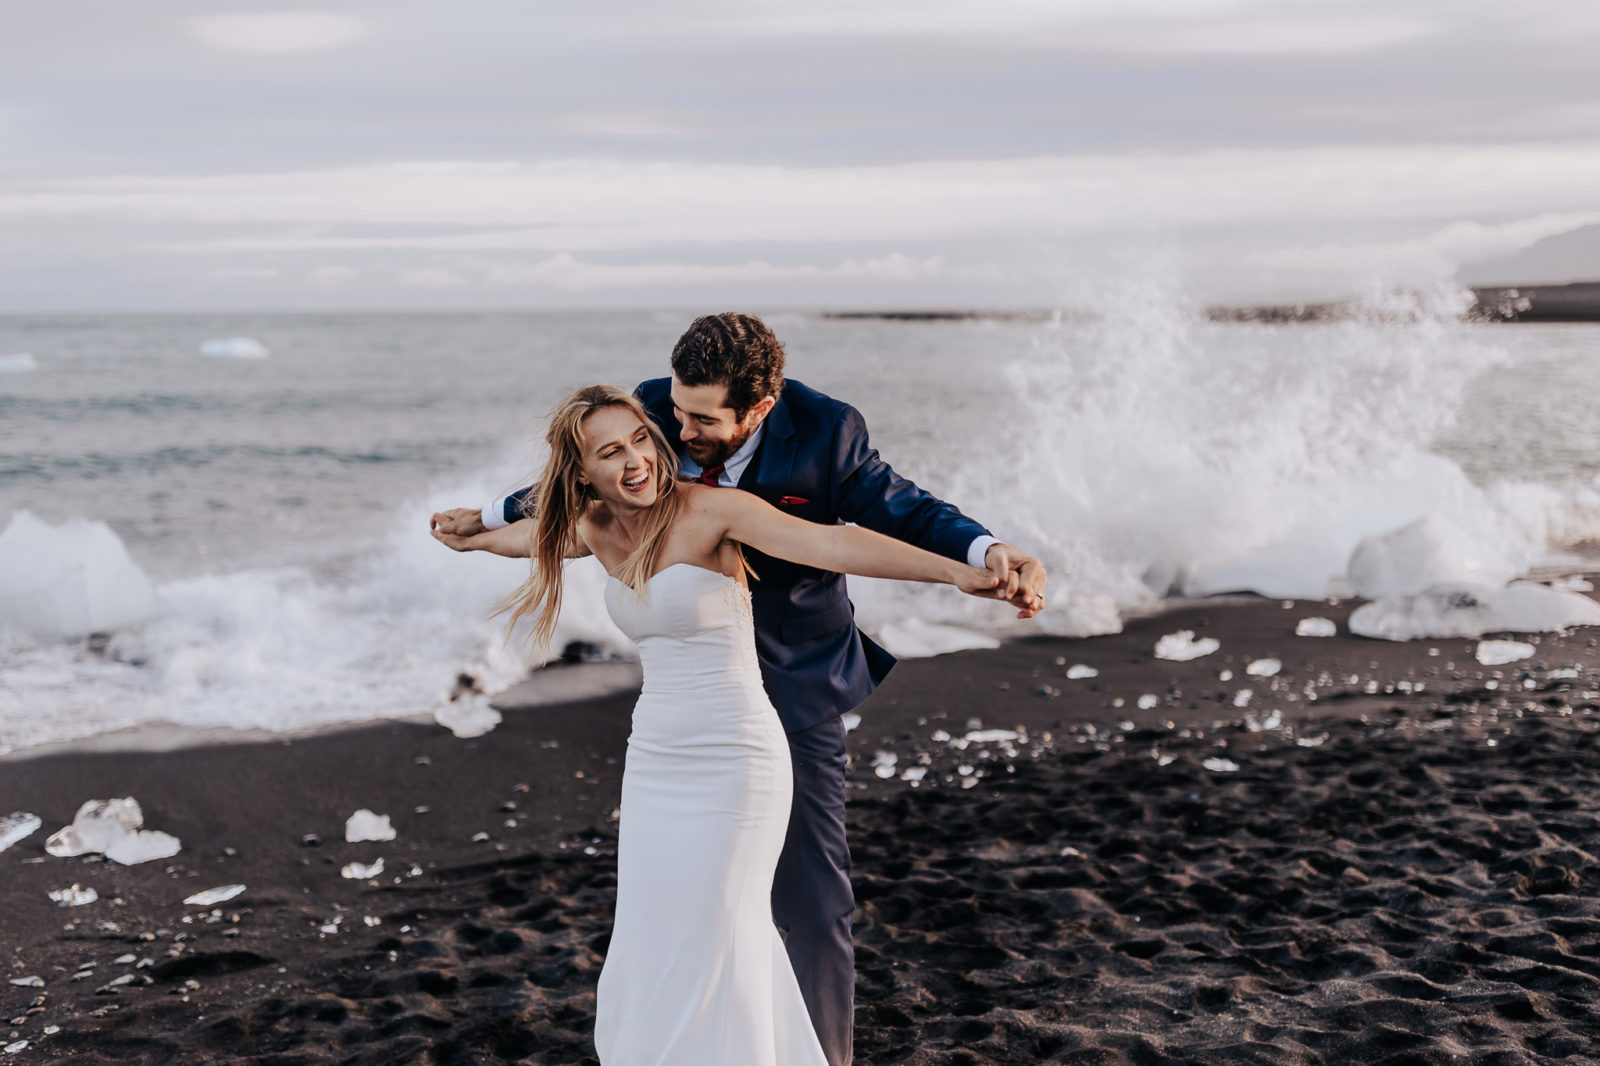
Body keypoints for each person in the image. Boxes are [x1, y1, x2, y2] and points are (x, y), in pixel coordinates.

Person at [431, 313, 1045, 1064]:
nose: (671, 433)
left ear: (760, 407)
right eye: (671, 415)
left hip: (787, 683)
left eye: (698, 420)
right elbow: (559, 501)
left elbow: (868, 524)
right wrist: (479, 522)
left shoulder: (818, 437)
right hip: (664, 739)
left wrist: (970, 562)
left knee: (805, 902)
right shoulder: (644, 427)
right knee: (664, 916)